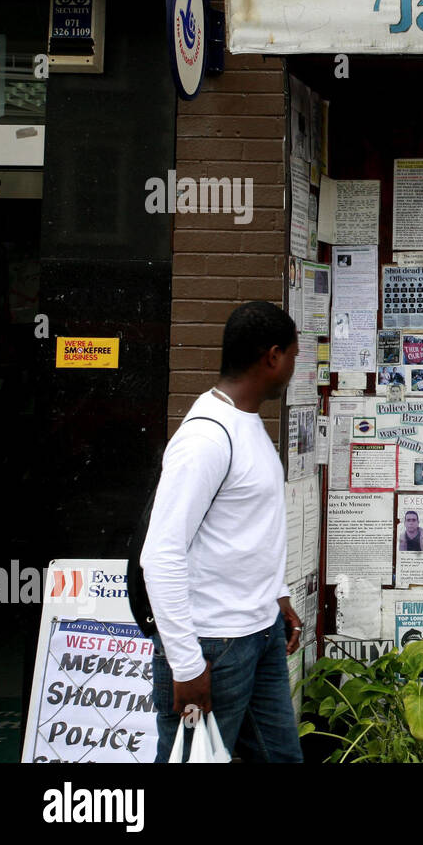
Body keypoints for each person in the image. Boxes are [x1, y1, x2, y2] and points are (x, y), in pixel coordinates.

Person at [142, 301, 303, 763]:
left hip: (261, 634)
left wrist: (277, 593)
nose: (294, 365)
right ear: (272, 356)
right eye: (292, 354)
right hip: (213, 647)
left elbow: (244, 530)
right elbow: (161, 555)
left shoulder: (246, 422)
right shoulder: (206, 438)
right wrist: (187, 665)